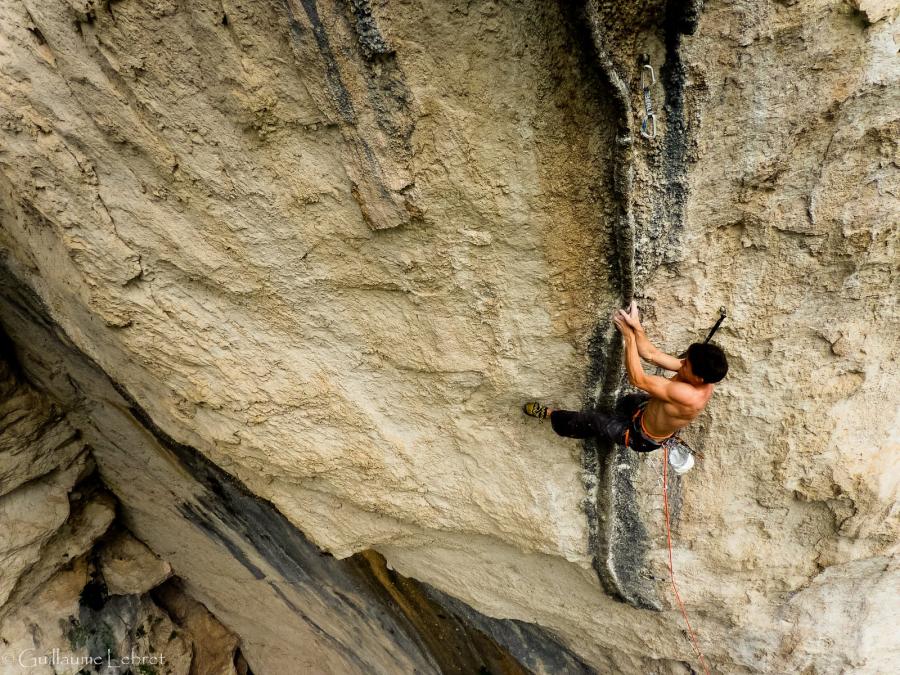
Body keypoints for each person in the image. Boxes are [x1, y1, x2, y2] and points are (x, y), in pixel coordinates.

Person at [523, 301, 728, 453]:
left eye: (686, 364)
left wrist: (629, 338)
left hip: (641, 437)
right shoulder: (699, 375)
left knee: (594, 420)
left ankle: (553, 415)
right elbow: (652, 355)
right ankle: (613, 422)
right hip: (645, 410)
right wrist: (637, 328)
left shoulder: (686, 394)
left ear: (699, 378)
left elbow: (638, 379)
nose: (681, 363)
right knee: (627, 401)